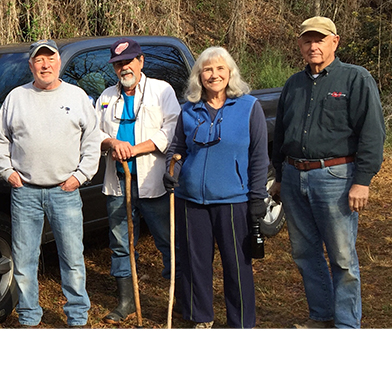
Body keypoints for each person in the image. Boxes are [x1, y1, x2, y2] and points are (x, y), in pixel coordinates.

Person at [270, 16, 385, 329]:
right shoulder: (293, 84)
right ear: (300, 44)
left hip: (335, 178)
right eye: (307, 40)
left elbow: (372, 133)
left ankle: (346, 325)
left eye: (319, 40)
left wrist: (362, 181)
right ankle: (321, 316)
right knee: (304, 252)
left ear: (335, 41)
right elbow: (281, 133)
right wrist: (279, 176)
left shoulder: (355, 79)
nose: (313, 46)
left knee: (342, 257)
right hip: (294, 176)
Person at [0, 38, 101, 328]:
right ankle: (29, 316)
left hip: (65, 192)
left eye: (50, 58)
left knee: (72, 259)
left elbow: (92, 140)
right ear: (31, 65)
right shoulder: (16, 97)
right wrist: (7, 171)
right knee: (24, 260)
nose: (45, 65)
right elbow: (0, 139)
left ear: (59, 62)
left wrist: (80, 176)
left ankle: (77, 317)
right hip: (25, 192)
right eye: (39, 60)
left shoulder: (77, 96)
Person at [164, 46, 268, 329]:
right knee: (195, 264)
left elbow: (259, 156)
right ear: (199, 76)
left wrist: (257, 197)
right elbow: (178, 148)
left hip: (233, 200)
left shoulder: (249, 107)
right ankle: (201, 317)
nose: (214, 75)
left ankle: (241, 323)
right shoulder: (188, 109)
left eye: (220, 68)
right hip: (191, 200)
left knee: (237, 265)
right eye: (207, 69)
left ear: (230, 73)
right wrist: (171, 171)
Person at [94, 38, 180, 324]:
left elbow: (172, 128)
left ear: (141, 61)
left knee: (167, 240)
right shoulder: (106, 97)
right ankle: (126, 301)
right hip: (119, 182)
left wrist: (135, 149)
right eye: (118, 64)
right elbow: (93, 132)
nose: (124, 68)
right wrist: (112, 143)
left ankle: (180, 295)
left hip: (153, 181)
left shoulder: (161, 91)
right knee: (121, 242)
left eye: (129, 61)